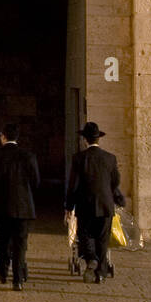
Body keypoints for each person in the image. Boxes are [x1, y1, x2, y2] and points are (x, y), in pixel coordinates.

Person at [65, 121, 124, 283]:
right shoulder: (110, 158)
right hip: (105, 204)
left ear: (85, 140)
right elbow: (115, 182)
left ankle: (91, 259)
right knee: (103, 239)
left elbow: (73, 185)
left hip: (85, 204)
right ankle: (101, 274)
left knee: (85, 235)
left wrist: (69, 207)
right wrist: (117, 199)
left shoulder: (78, 158)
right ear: (98, 139)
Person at [0, 123, 39, 291]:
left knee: (2, 241)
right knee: (20, 244)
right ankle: (18, 280)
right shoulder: (28, 156)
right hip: (23, 207)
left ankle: (2, 271)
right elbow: (36, 181)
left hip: (1, 207)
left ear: (3, 136)